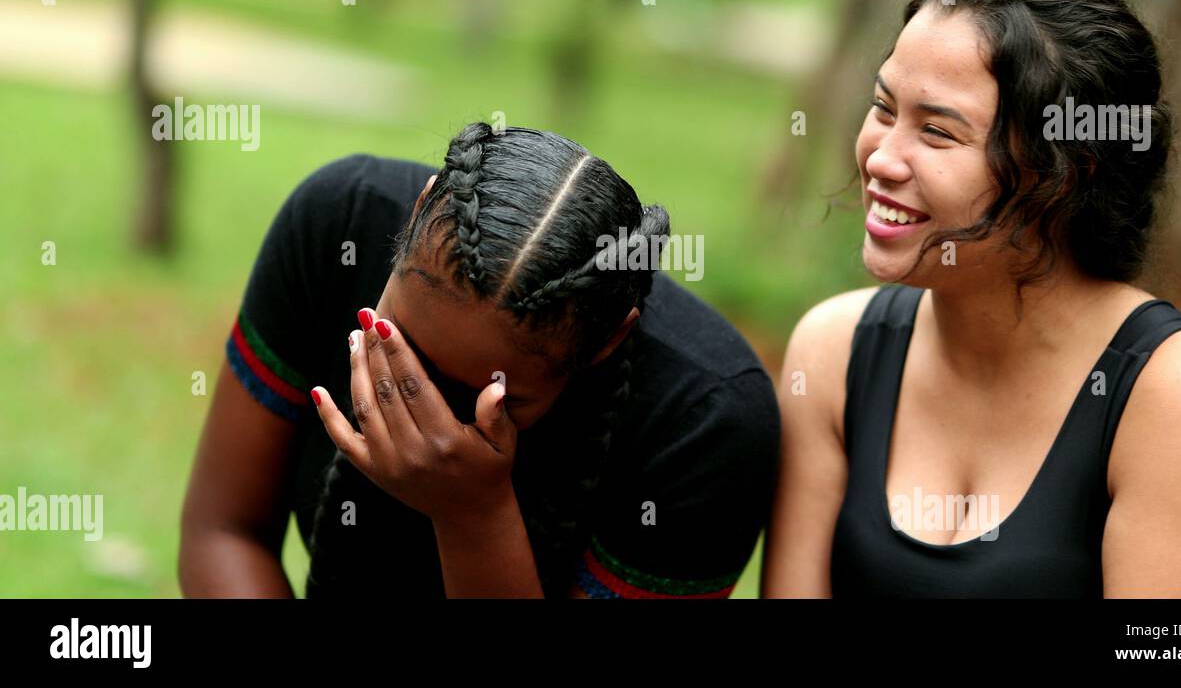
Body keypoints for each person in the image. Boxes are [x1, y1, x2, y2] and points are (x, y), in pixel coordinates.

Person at [762, 0, 1181, 598]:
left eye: (938, 132)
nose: (882, 157)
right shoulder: (834, 355)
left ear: (1068, 172)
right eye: (885, 108)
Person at [180, 122, 779, 598]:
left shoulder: (708, 419)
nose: (426, 414)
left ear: (607, 345)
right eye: (400, 348)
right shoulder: (338, 222)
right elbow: (221, 533)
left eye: (491, 401)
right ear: (417, 212)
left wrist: (474, 514)